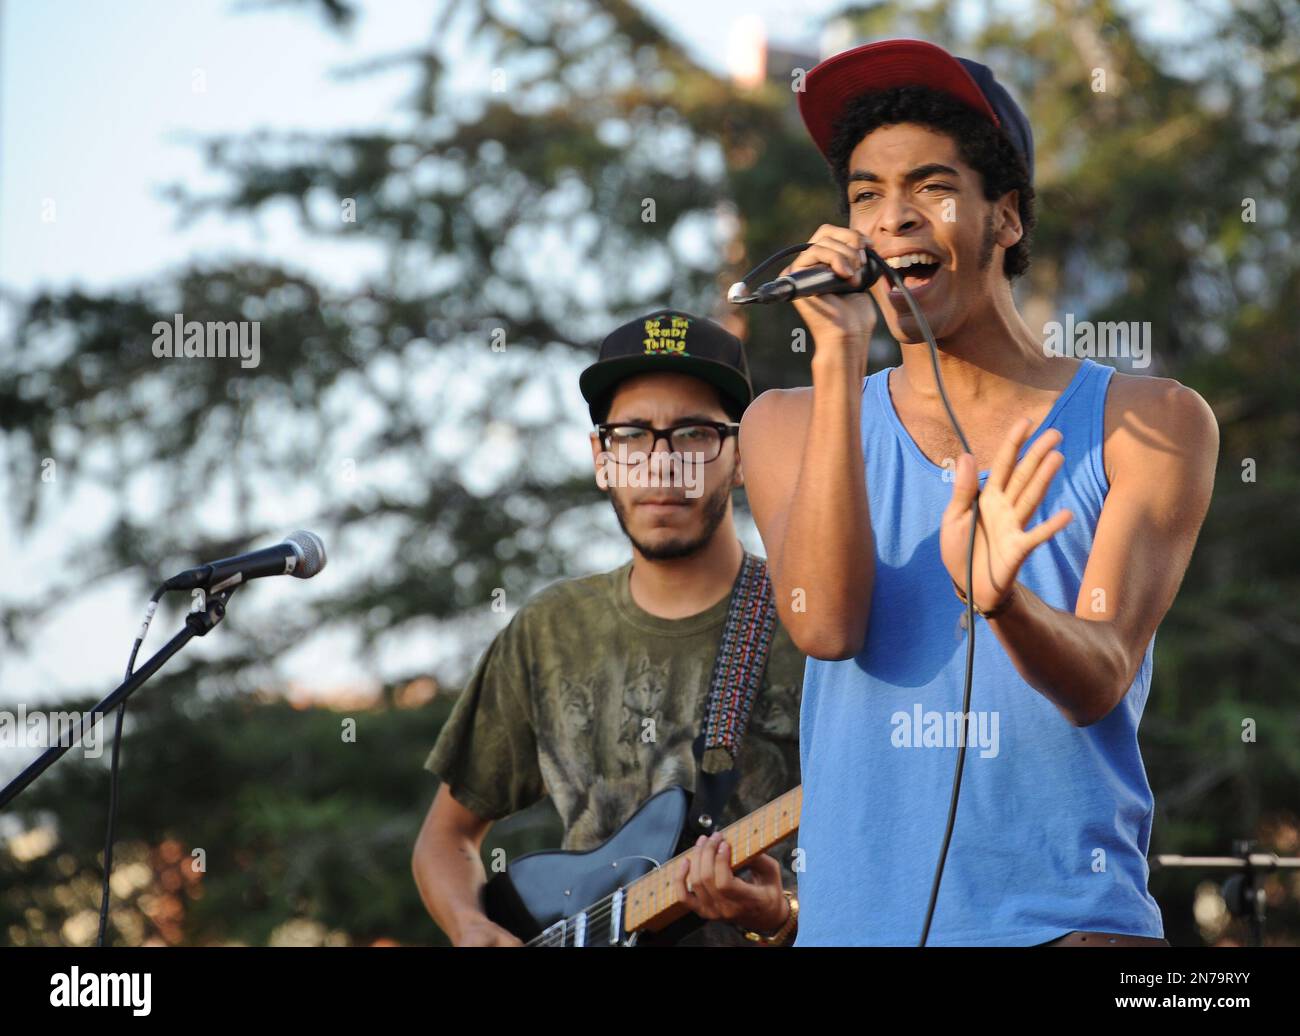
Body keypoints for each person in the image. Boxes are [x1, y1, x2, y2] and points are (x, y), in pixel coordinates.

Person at [740, 40, 1218, 946]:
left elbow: (1101, 678)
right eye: (866, 195)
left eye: (931, 186)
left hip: (1070, 929)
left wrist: (1003, 605)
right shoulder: (785, 422)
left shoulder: (1150, 420)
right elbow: (825, 626)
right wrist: (839, 357)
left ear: (1005, 219)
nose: (893, 220)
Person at [413, 309, 805, 946]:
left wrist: (781, 916)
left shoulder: (811, 622)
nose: (660, 464)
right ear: (602, 455)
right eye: (631, 435)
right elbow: (446, 838)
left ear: (740, 457)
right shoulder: (549, 628)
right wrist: (467, 924)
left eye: (694, 435)